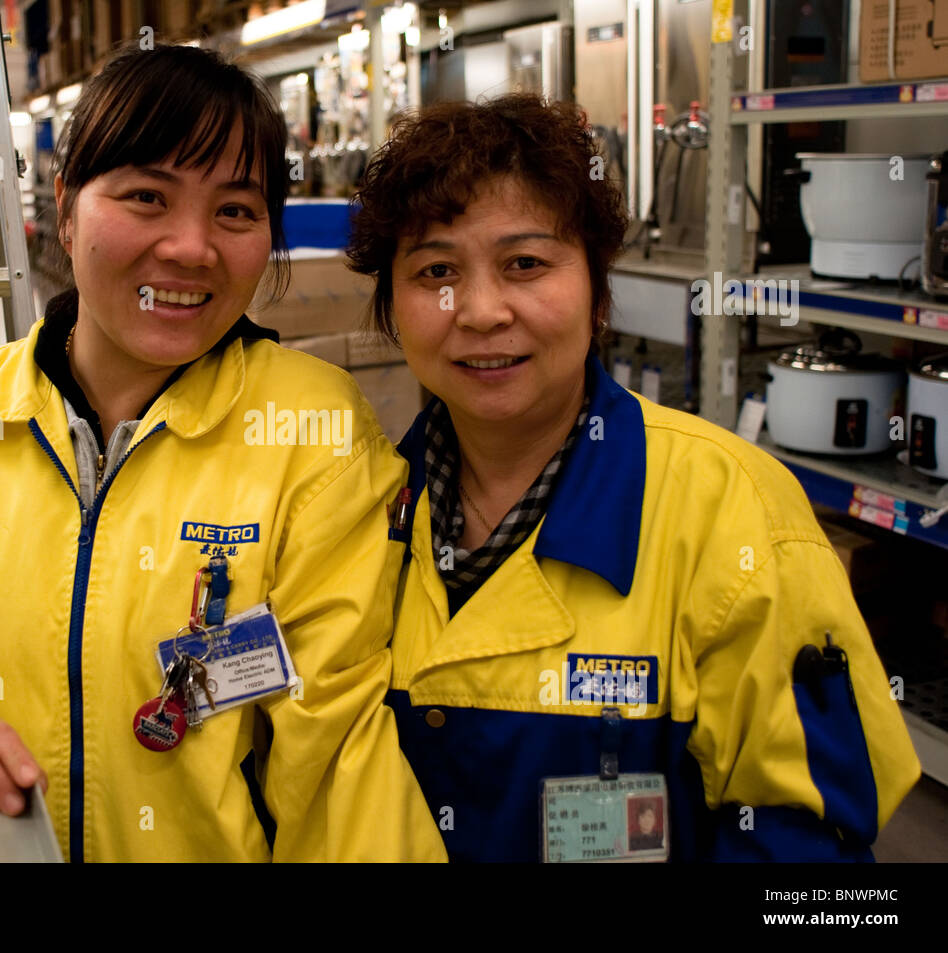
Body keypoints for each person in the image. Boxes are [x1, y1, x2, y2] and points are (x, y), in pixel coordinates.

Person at [0, 42, 445, 863]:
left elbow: (338, 750)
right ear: (66, 208)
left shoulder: (314, 435)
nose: (190, 247)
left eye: (236, 212)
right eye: (147, 196)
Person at [346, 93, 921, 862]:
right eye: (436, 269)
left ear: (597, 289)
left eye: (525, 263)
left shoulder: (733, 511)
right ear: (391, 304)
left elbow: (813, 849)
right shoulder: (356, 514)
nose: (480, 310)